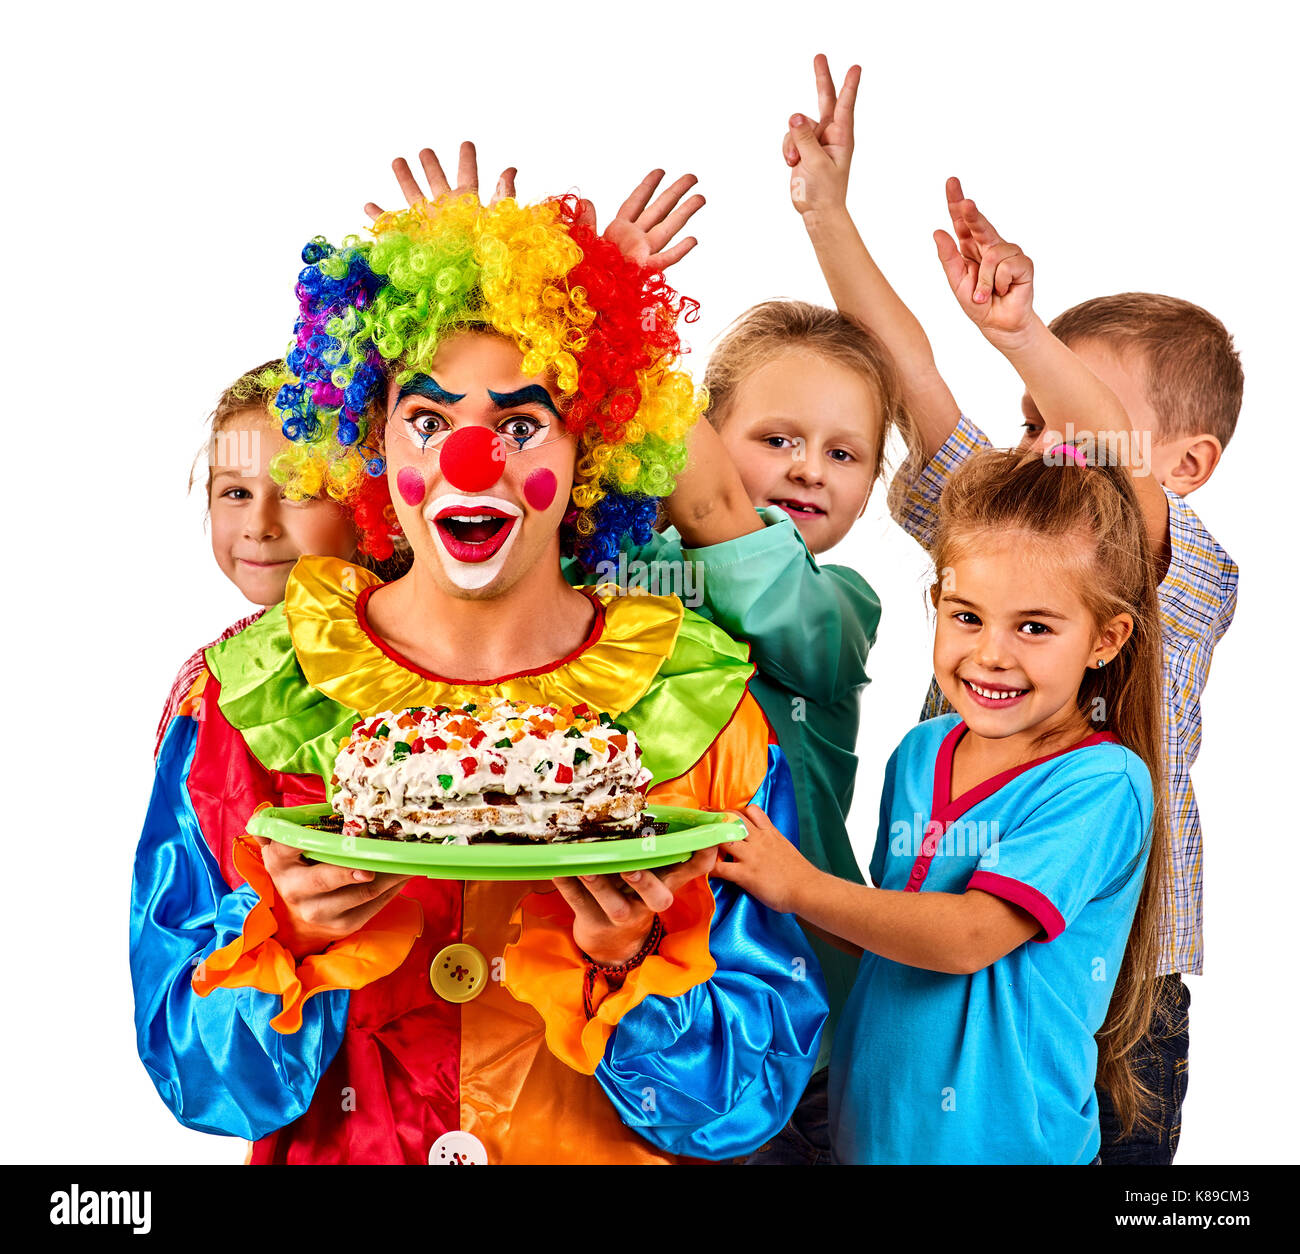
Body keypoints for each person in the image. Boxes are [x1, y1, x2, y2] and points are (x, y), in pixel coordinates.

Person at [131, 163, 827, 1164]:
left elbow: (746, 1098)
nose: (471, 462)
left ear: (593, 445)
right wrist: (285, 931)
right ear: (370, 437)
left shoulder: (701, 711)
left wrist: (632, 958)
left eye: (517, 425)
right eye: (428, 422)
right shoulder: (246, 701)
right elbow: (198, 1080)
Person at [370, 141, 919, 1164]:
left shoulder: (838, 605)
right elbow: (487, 516)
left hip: (787, 1007)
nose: (806, 471)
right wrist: (542, 329)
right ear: (702, 434)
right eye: (776, 439)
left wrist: (608, 318)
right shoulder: (624, 556)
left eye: (843, 454)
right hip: (611, 976)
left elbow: (722, 527)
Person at [786, 55, 1240, 1160]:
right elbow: (913, 378)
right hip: (921, 984)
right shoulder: (1010, 526)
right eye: (1031, 415)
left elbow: (1113, 461)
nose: (1047, 441)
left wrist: (1021, 332)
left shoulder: (1170, 561)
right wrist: (826, 214)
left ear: (1188, 462)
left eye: (1072, 419)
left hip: (1110, 998)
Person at [715, 437, 1169, 1163]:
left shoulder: (1101, 782)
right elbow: (886, 926)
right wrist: (750, 867)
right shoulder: (921, 753)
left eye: (1035, 627)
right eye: (966, 616)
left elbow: (966, 938)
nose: (991, 653)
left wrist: (800, 887)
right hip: (872, 1140)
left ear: (1105, 640)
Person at [152, 362, 393, 757]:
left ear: (365, 503)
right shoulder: (205, 681)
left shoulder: (421, 659)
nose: (259, 526)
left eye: (298, 492)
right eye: (236, 493)